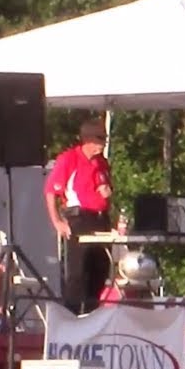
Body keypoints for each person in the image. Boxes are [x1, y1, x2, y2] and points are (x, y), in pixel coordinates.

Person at [45, 118, 115, 313]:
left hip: (101, 218)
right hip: (80, 218)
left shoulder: (102, 162)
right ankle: (72, 318)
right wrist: (57, 221)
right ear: (87, 140)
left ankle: (91, 315)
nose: (103, 144)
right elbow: (51, 191)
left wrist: (107, 192)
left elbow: (103, 188)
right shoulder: (69, 159)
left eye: (104, 139)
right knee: (78, 272)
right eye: (99, 139)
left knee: (100, 269)